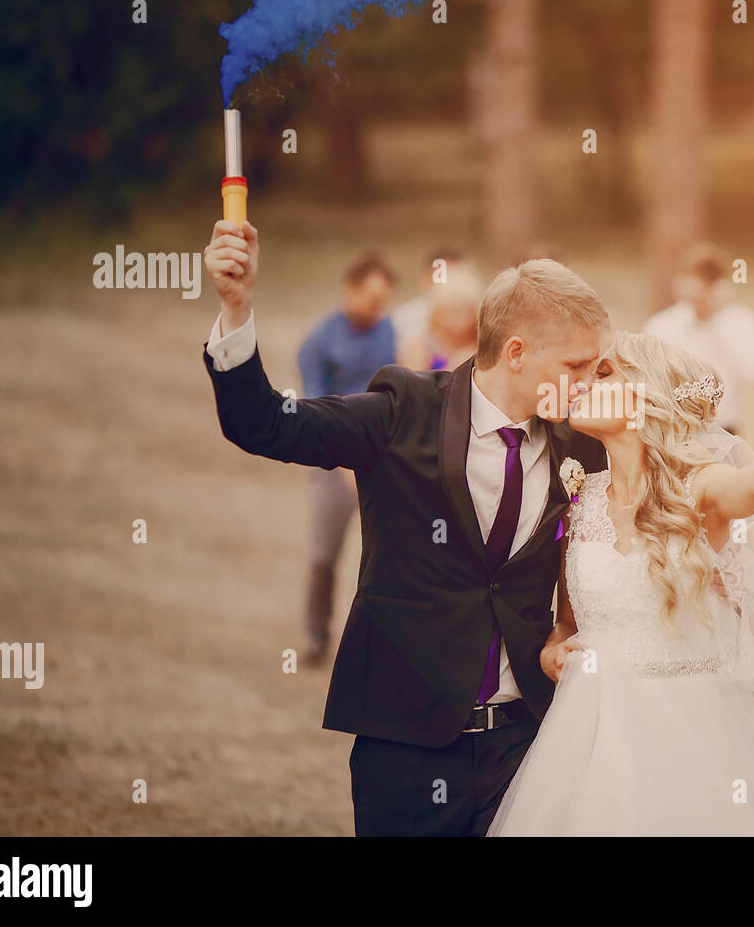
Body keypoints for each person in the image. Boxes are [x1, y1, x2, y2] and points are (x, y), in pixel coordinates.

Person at [203, 218, 611, 836]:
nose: (587, 382)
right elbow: (263, 423)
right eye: (577, 365)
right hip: (407, 751)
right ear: (518, 352)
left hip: (528, 747)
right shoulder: (402, 413)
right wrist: (237, 308)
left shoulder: (581, 445)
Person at [489, 305, 754, 836]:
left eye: (603, 373)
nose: (580, 384)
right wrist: (553, 649)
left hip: (686, 727)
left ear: (646, 396)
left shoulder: (698, 489)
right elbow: (569, 620)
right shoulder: (580, 499)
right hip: (589, 729)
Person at [295, 254, 399, 667]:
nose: (378, 309)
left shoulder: (391, 331)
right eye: (372, 299)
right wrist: (346, 470)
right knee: (325, 554)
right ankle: (317, 638)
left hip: (384, 460)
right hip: (333, 466)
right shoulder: (319, 342)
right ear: (350, 290)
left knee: (392, 555)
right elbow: (317, 414)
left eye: (384, 301)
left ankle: (384, 643)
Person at [641, 243, 754, 434]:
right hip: (672, 429)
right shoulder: (661, 326)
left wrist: (717, 319)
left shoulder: (743, 322)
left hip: (723, 428)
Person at [396, 264, 485, 371]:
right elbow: (410, 385)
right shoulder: (420, 347)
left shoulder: (482, 344)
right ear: (437, 312)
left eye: (463, 311)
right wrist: (453, 370)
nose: (456, 320)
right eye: (449, 311)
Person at [390, 247, 466, 347]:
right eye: (442, 277)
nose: (449, 284)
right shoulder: (401, 319)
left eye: (455, 278)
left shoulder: (471, 321)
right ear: (425, 278)